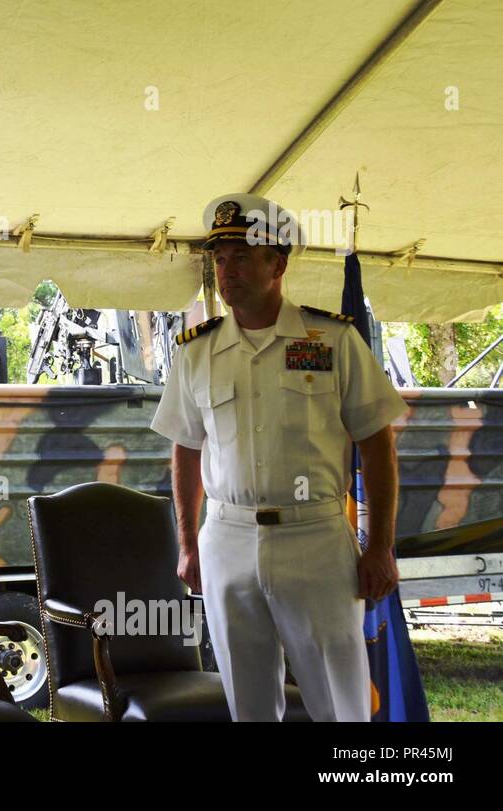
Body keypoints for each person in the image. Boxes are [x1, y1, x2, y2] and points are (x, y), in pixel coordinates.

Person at [150, 193, 407, 721]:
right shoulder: (196, 352)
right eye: (220, 259)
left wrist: (380, 545)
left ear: (277, 266)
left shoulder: (331, 340)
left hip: (314, 537)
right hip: (227, 538)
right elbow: (186, 449)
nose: (227, 271)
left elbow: (376, 443)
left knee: (339, 699)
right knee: (247, 702)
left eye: (243, 257)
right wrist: (188, 543)